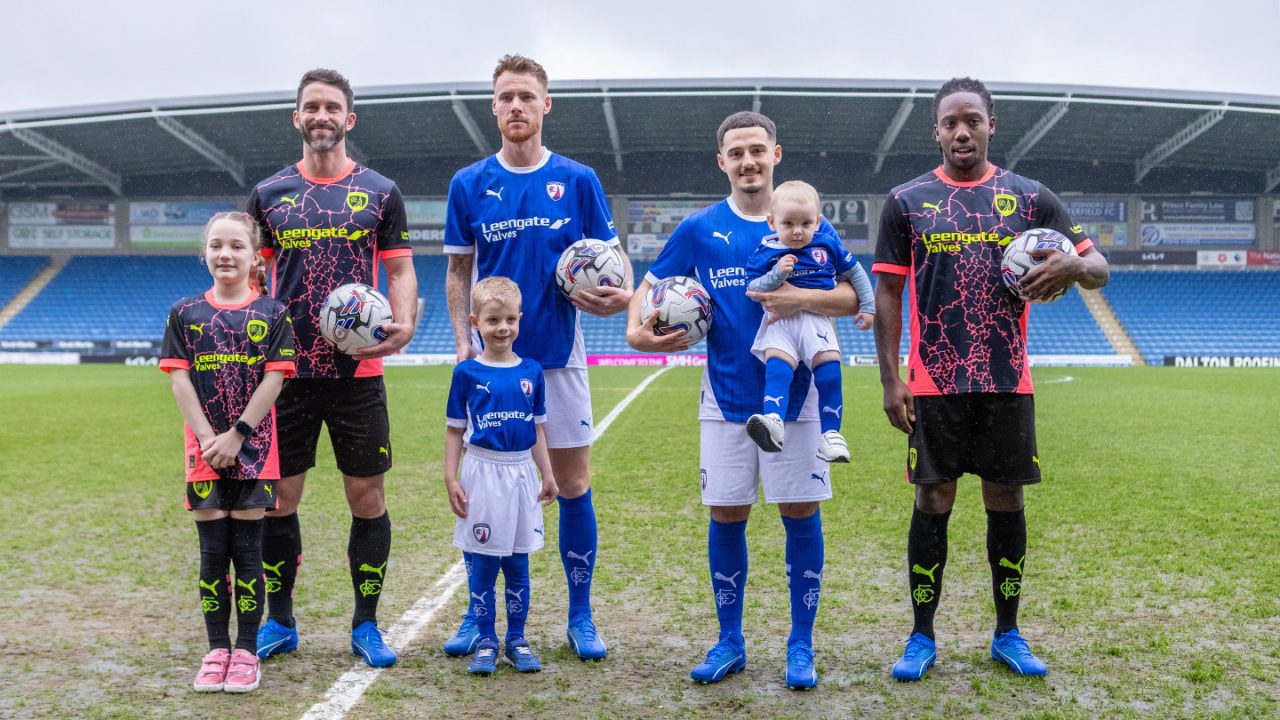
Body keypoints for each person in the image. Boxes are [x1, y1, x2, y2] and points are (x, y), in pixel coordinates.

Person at [872, 77, 1110, 681]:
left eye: (972, 120)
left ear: (991, 125)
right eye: (950, 122)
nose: (962, 131)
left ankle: (1008, 632)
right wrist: (891, 380)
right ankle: (921, 636)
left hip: (1007, 379)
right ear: (936, 131)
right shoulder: (906, 201)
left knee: (1006, 499)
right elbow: (888, 292)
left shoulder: (1030, 198)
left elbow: (1099, 267)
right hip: (935, 380)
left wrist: (1073, 262)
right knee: (933, 500)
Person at [625, 112, 863, 690]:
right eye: (737, 153)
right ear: (722, 162)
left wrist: (800, 298)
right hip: (725, 395)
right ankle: (729, 640)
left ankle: (800, 645)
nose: (748, 161)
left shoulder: (808, 222)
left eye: (757, 150)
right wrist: (635, 333)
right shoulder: (700, 228)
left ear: (775, 154)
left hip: (798, 398)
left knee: (800, 514)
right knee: (727, 514)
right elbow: (647, 288)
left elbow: (854, 295)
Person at [443, 54, 629, 661]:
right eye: (506, 97)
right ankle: (476, 616)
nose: (516, 106)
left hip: (558, 355)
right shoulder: (469, 183)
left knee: (572, 485)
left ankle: (581, 614)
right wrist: (463, 339)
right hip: (492, 368)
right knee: (482, 491)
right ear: (493, 107)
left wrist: (618, 296)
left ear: (546, 105)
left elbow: (614, 265)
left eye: (527, 96)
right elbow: (458, 270)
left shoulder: (578, 180)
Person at [246, 68, 418, 668]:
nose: (322, 116)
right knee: (278, 500)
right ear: (297, 117)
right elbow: (253, 277)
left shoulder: (380, 191)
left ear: (349, 119)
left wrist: (404, 323)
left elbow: (399, 269)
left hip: (357, 374)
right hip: (286, 374)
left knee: (366, 497)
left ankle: (366, 624)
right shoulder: (269, 195)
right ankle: (281, 621)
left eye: (332, 107)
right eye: (312, 107)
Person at [160, 212, 296, 693]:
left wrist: (236, 435)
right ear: (204, 253)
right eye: (216, 245)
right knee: (213, 554)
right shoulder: (184, 313)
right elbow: (179, 380)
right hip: (203, 452)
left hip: (255, 448)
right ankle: (217, 649)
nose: (225, 254)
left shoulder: (273, 313)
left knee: (249, 554)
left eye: (237, 246)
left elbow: (274, 380)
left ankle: (246, 651)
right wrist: (207, 440)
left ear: (256, 256)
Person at [444, 277, 559, 676]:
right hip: (482, 472)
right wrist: (450, 478)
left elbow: (538, 428)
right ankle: (486, 640)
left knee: (517, 564)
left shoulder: (531, 371)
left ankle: (517, 639)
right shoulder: (467, 373)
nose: (503, 327)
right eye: (493, 320)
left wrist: (547, 474)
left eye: (510, 319)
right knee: (483, 565)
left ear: (520, 319)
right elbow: (454, 430)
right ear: (475, 322)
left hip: (520, 473)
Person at [743, 180, 875, 463]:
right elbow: (752, 288)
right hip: (779, 322)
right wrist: (776, 274)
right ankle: (773, 420)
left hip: (816, 319)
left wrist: (868, 307)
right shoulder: (766, 249)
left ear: (817, 221)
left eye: (805, 223)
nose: (797, 230)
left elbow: (856, 273)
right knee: (778, 369)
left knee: (830, 373)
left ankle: (831, 435)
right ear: (772, 222)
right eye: (788, 223)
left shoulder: (826, 243)